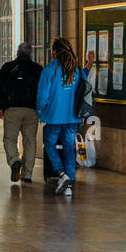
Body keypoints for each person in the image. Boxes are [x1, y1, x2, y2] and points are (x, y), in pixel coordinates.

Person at [36, 37, 86, 197]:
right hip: (73, 117)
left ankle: (62, 174)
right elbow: (83, 93)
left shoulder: (50, 70)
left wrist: (40, 111)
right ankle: (69, 183)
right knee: (69, 148)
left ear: (55, 52)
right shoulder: (76, 70)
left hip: (54, 116)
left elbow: (43, 96)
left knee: (50, 145)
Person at [0, 42, 43, 184]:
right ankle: (27, 174)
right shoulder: (37, 69)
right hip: (32, 110)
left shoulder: (7, 67)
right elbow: (43, 89)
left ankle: (14, 160)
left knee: (9, 139)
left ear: (17, 53)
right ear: (30, 54)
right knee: (30, 141)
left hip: (12, 109)